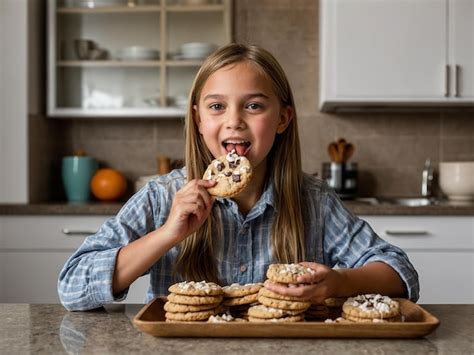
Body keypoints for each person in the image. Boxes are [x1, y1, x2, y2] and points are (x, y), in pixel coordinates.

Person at [58, 44, 419, 311]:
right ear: (199, 120)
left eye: (254, 105)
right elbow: (72, 286)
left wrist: (337, 282)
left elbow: (401, 272)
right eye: (217, 106)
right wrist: (168, 234)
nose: (234, 121)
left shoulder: (313, 200)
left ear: (282, 119)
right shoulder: (163, 196)